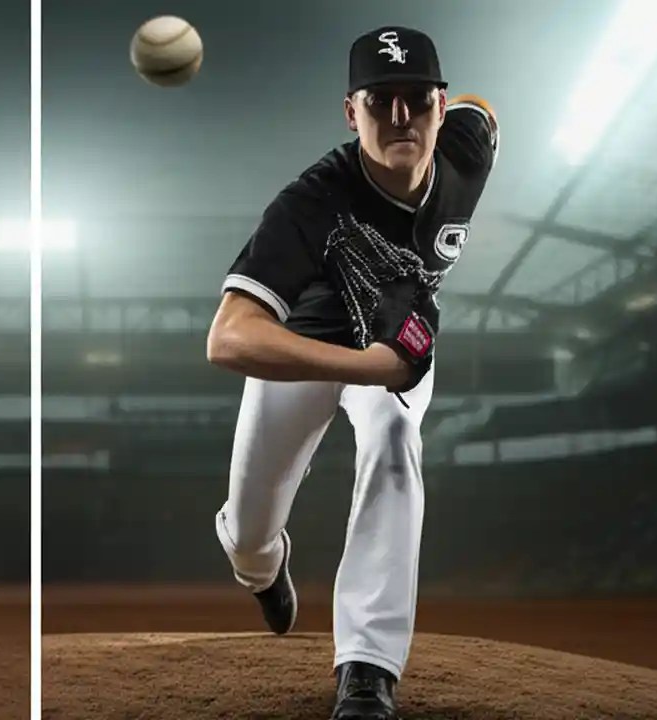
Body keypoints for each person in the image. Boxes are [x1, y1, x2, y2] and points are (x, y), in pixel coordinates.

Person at [206, 26, 498, 720]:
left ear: (440, 103)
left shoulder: (467, 148)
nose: (401, 116)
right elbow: (229, 338)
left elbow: (485, 112)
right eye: (380, 100)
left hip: (400, 347)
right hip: (307, 349)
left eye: (417, 100)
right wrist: (360, 366)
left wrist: (385, 369)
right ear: (351, 111)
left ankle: (367, 668)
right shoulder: (310, 203)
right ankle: (260, 566)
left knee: (397, 449)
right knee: (249, 527)